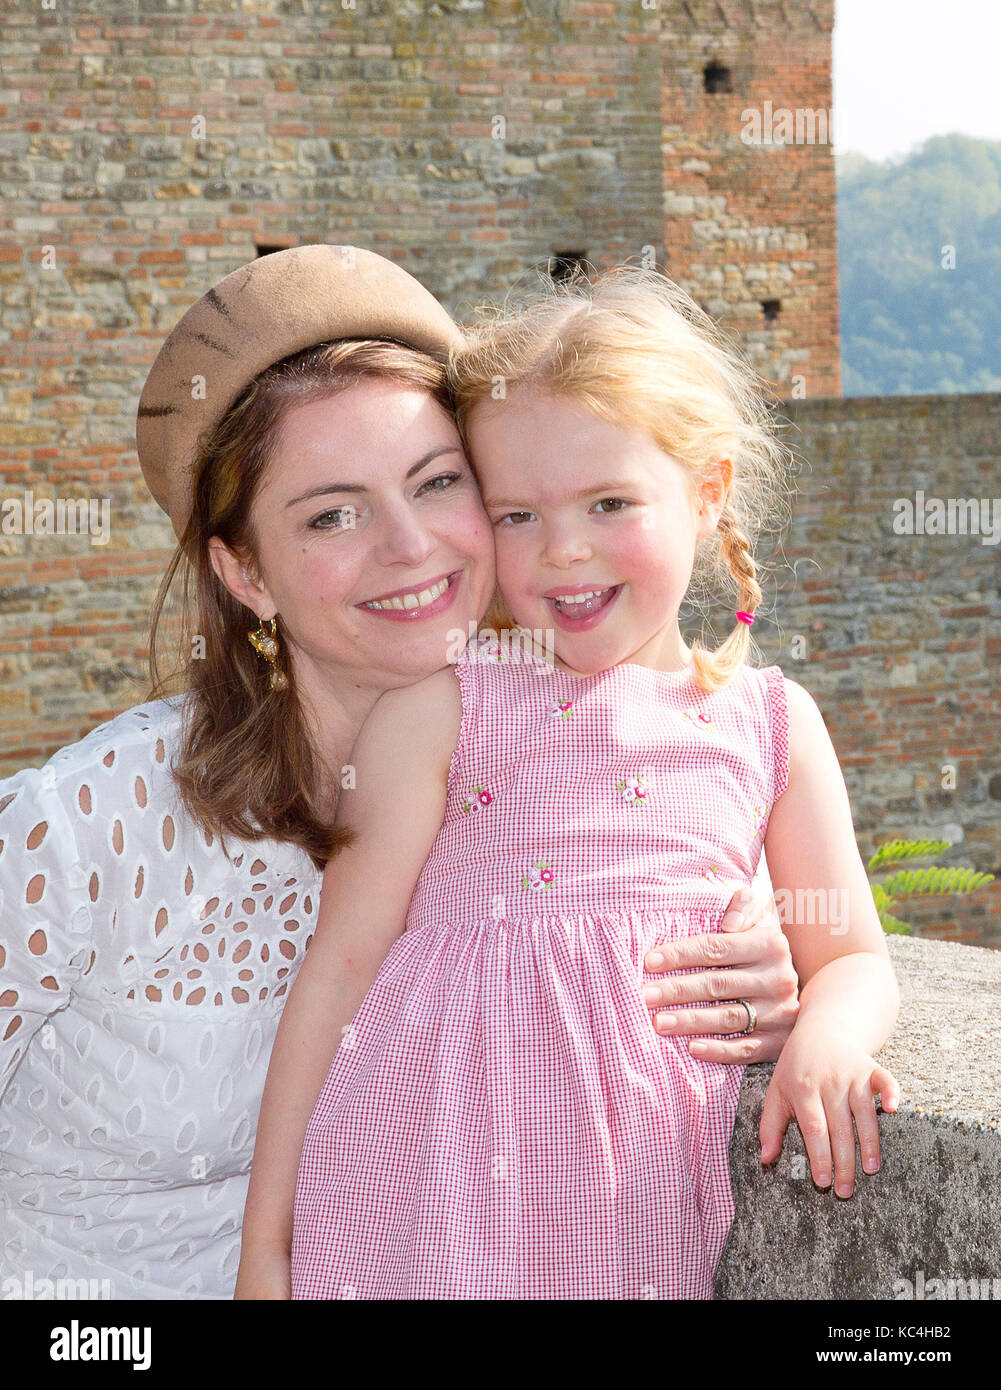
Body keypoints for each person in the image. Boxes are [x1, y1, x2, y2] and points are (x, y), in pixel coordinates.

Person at [0, 247, 794, 1300]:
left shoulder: (557, 761)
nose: (412, 546)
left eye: (438, 484)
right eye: (332, 513)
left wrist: (768, 943)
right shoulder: (90, 827)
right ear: (244, 572)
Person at [236, 265, 901, 1302]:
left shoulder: (769, 727)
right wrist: (264, 1252)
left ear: (706, 491)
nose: (563, 550)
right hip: (416, 1206)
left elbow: (853, 953)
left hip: (627, 1216)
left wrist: (824, 1033)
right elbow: (336, 970)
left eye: (608, 502)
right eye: (515, 515)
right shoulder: (444, 710)